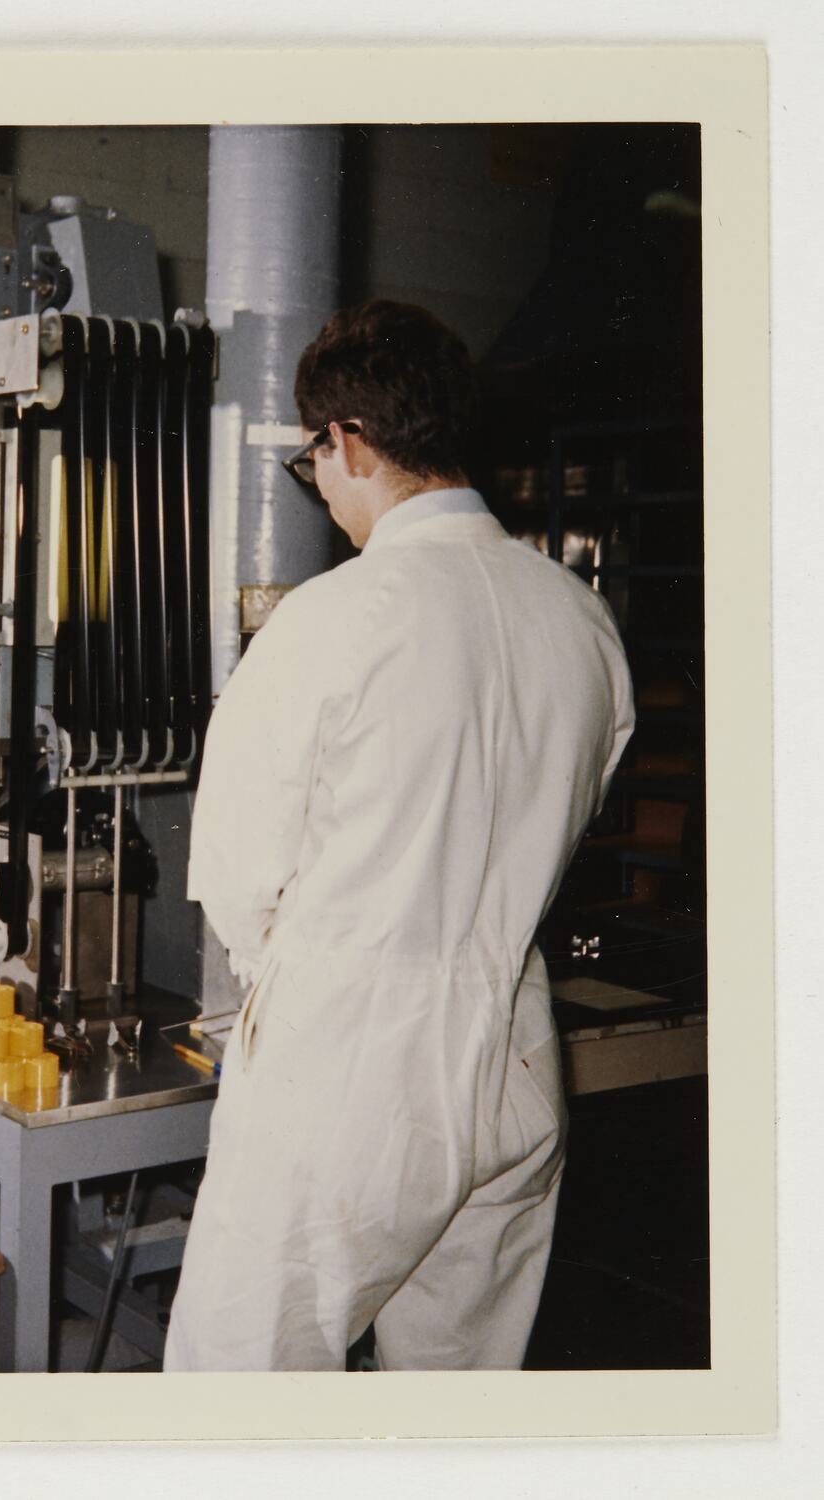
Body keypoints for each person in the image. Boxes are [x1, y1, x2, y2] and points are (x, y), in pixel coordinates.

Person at [163, 300, 634, 1371]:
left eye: (315, 460)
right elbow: (568, 822)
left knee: (239, 1405)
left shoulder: (330, 621)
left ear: (351, 442)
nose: (322, 488)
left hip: (347, 1084)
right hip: (512, 1064)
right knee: (452, 1414)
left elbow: (241, 878)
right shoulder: (583, 623)